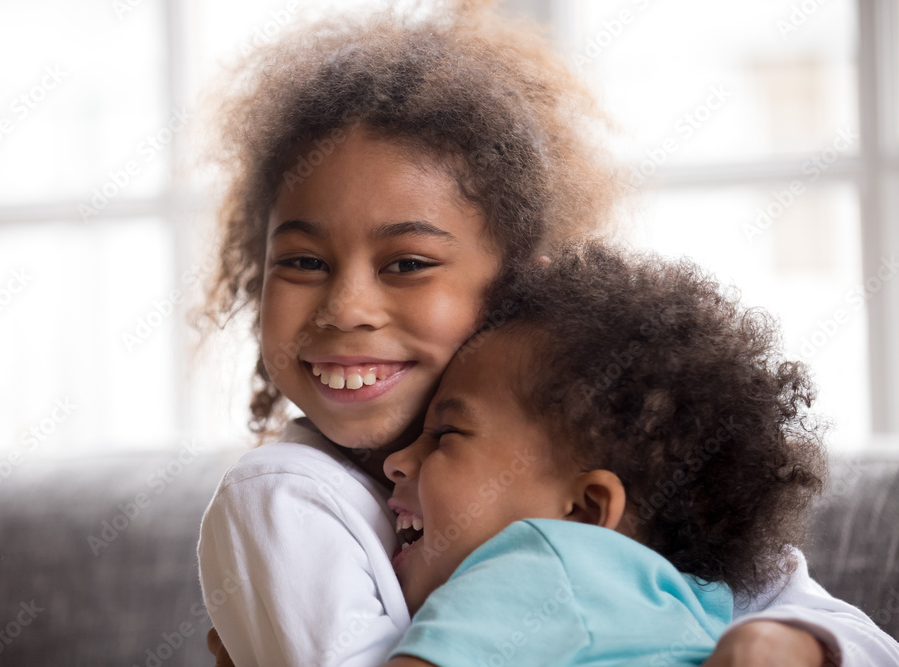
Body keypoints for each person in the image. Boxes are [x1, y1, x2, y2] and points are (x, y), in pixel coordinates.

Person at [196, 3, 899, 666]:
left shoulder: (605, 455)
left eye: (408, 263)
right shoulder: (287, 492)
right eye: (302, 262)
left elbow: (846, 630)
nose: (346, 306)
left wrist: (787, 642)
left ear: (514, 287)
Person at [381, 242, 829, 665]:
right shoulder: (705, 605)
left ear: (583, 512)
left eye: (445, 435)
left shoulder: (539, 569)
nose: (394, 461)